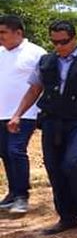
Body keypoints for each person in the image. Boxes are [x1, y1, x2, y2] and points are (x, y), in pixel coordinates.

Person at [9, 20, 77, 235]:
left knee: (74, 163)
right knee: (55, 169)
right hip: (51, 122)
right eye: (54, 42)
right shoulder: (46, 62)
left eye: (63, 42)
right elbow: (34, 90)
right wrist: (18, 114)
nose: (59, 47)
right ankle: (67, 217)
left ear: (74, 39)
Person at [0, 15, 46, 215]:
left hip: (25, 113)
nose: (0, 37)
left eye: (3, 32)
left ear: (18, 32)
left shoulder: (35, 53)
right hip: (1, 112)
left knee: (16, 150)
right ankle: (12, 193)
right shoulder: (0, 53)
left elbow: (43, 83)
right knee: (4, 152)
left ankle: (22, 196)